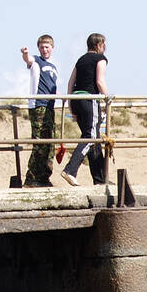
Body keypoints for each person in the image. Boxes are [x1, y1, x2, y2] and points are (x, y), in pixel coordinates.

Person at [60, 33, 108, 186]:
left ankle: (100, 180)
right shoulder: (100, 59)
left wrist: (70, 104)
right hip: (89, 99)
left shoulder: (80, 60)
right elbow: (100, 81)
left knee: (94, 139)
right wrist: (108, 99)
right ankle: (70, 170)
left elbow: (70, 82)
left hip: (76, 99)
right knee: (91, 136)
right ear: (99, 45)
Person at [20, 34, 59, 186]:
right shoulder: (36, 60)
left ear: (52, 48)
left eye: (47, 46)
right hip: (38, 105)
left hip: (50, 107)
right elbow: (28, 60)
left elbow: (52, 86)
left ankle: (44, 177)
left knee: (50, 144)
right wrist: (25, 53)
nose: (44, 49)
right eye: (42, 47)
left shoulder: (54, 68)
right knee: (40, 142)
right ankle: (31, 177)